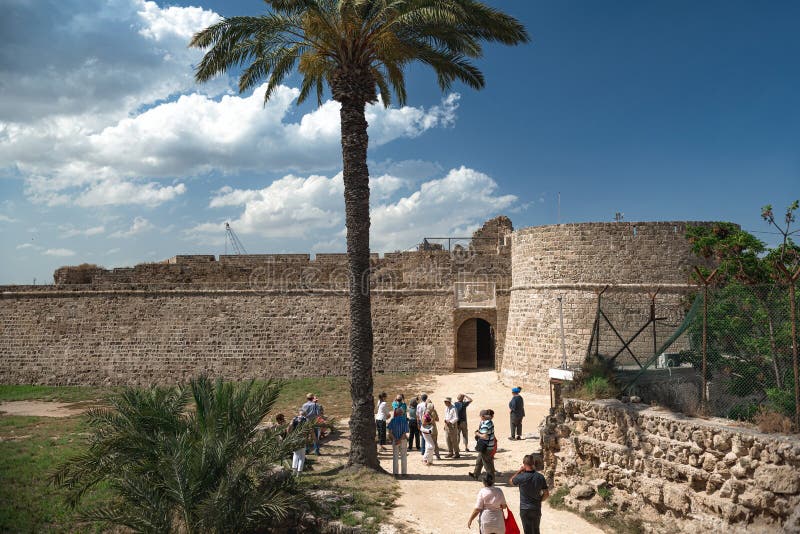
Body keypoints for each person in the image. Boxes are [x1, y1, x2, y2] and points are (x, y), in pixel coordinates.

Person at [509, 454, 549, 534]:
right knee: (536, 530)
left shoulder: (521, 477)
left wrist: (519, 471)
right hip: (536, 508)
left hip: (525, 509)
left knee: (527, 531)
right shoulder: (540, 477)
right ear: (533, 463)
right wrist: (539, 500)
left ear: (524, 464)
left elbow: (511, 481)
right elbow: (546, 494)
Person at [469, 409, 495, 480]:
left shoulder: (485, 424)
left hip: (486, 447)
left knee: (487, 464)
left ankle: (491, 479)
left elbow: (484, 436)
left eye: (481, 416)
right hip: (487, 446)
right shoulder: (489, 422)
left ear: (483, 416)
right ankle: (475, 474)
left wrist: (477, 433)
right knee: (479, 461)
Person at [387, 407, 409, 476]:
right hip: (403, 440)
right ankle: (404, 473)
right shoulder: (405, 420)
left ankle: (395, 473)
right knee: (404, 457)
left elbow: (389, 432)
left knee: (395, 457)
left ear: (396, 413)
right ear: (402, 413)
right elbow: (405, 432)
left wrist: (395, 439)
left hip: (395, 440)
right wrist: (400, 440)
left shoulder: (393, 420)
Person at [289, 409, 308, 473]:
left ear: (299, 413)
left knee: (295, 454)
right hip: (302, 438)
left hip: (295, 438)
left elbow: (290, 426)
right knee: (302, 456)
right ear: (305, 414)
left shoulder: (294, 418)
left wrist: (290, 434)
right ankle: (299, 472)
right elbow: (310, 430)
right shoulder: (306, 420)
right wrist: (314, 438)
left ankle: (294, 471)